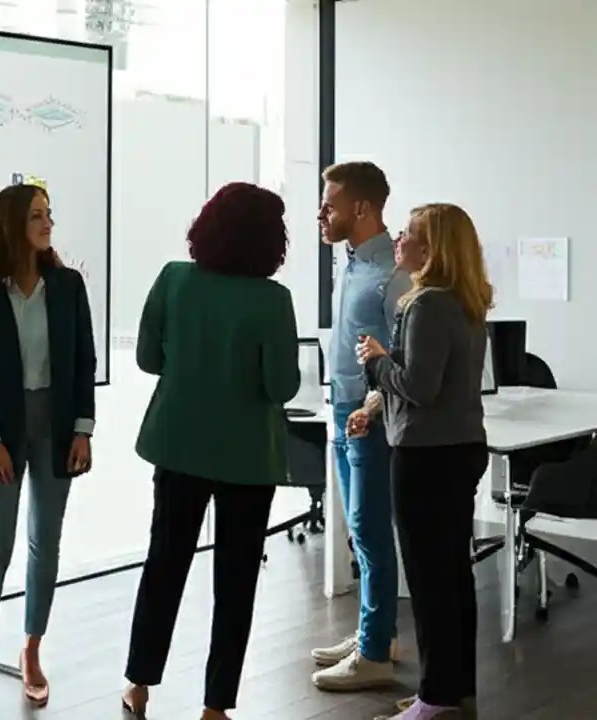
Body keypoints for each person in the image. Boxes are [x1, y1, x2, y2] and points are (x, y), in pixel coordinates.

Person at [120, 182, 300, 720]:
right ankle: (216, 705)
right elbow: (281, 387)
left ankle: (138, 683)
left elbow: (148, 359)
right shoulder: (273, 300)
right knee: (237, 579)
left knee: (165, 565)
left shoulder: (175, 280)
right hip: (248, 457)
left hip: (178, 446)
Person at [0, 182, 97, 719]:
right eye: (37, 215)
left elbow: (84, 360)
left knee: (46, 544)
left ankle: (31, 649)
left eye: (49, 214)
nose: (48, 223)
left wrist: (83, 429)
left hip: (56, 429)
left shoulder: (67, 284)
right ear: (12, 222)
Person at [355, 203, 493, 720]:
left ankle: (434, 699)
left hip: (426, 457)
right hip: (460, 451)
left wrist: (375, 363)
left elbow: (418, 387)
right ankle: (453, 690)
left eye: (408, 235)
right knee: (453, 576)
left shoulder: (427, 304)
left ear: (430, 249)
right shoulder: (466, 302)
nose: (399, 242)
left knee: (430, 579)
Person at [312, 161, 409, 692]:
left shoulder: (392, 276)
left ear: (362, 208)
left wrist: (367, 411)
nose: (321, 214)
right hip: (340, 411)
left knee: (370, 535)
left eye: (329, 204)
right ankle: (378, 634)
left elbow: (402, 360)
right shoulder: (349, 265)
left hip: (368, 421)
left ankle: (374, 652)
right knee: (359, 534)